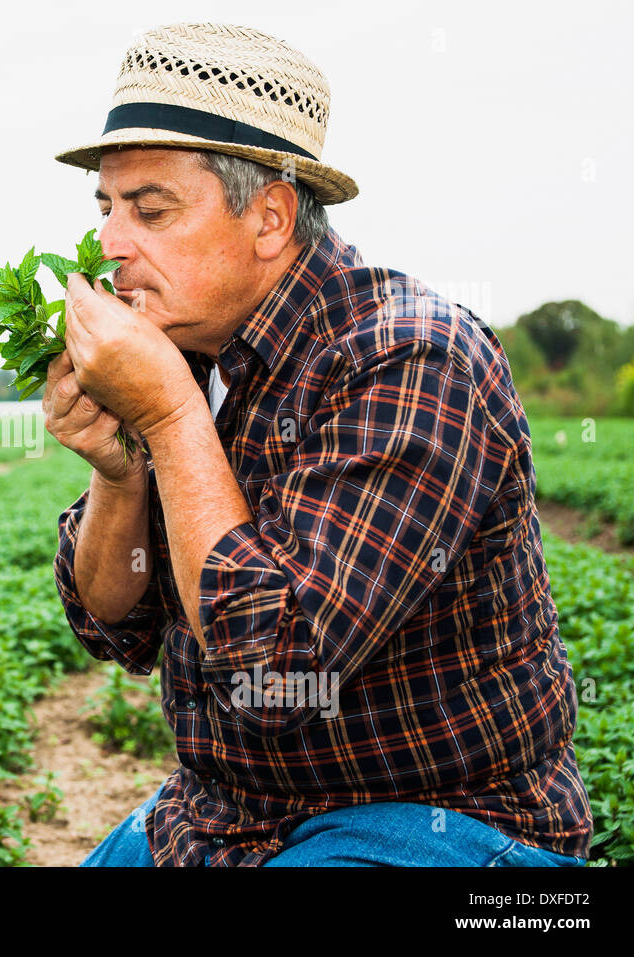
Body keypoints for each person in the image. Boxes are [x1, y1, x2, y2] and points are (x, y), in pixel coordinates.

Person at [44, 22, 592, 867]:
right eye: (108, 208)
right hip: (223, 816)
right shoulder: (188, 351)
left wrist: (170, 421)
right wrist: (119, 476)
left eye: (150, 209)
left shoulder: (412, 357)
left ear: (269, 216)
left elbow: (272, 666)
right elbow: (114, 627)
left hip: (439, 820)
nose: (113, 243)